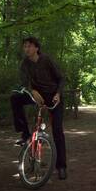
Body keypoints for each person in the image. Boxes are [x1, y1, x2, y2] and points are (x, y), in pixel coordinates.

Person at [13, 36, 67, 179]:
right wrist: (32, 90)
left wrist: (58, 93)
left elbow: (61, 78)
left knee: (57, 131)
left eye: (29, 46)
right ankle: (24, 133)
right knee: (15, 97)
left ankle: (61, 167)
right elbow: (23, 83)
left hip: (54, 97)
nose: (27, 49)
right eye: (25, 46)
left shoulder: (46, 60)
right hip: (38, 96)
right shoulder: (25, 63)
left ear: (36, 48)